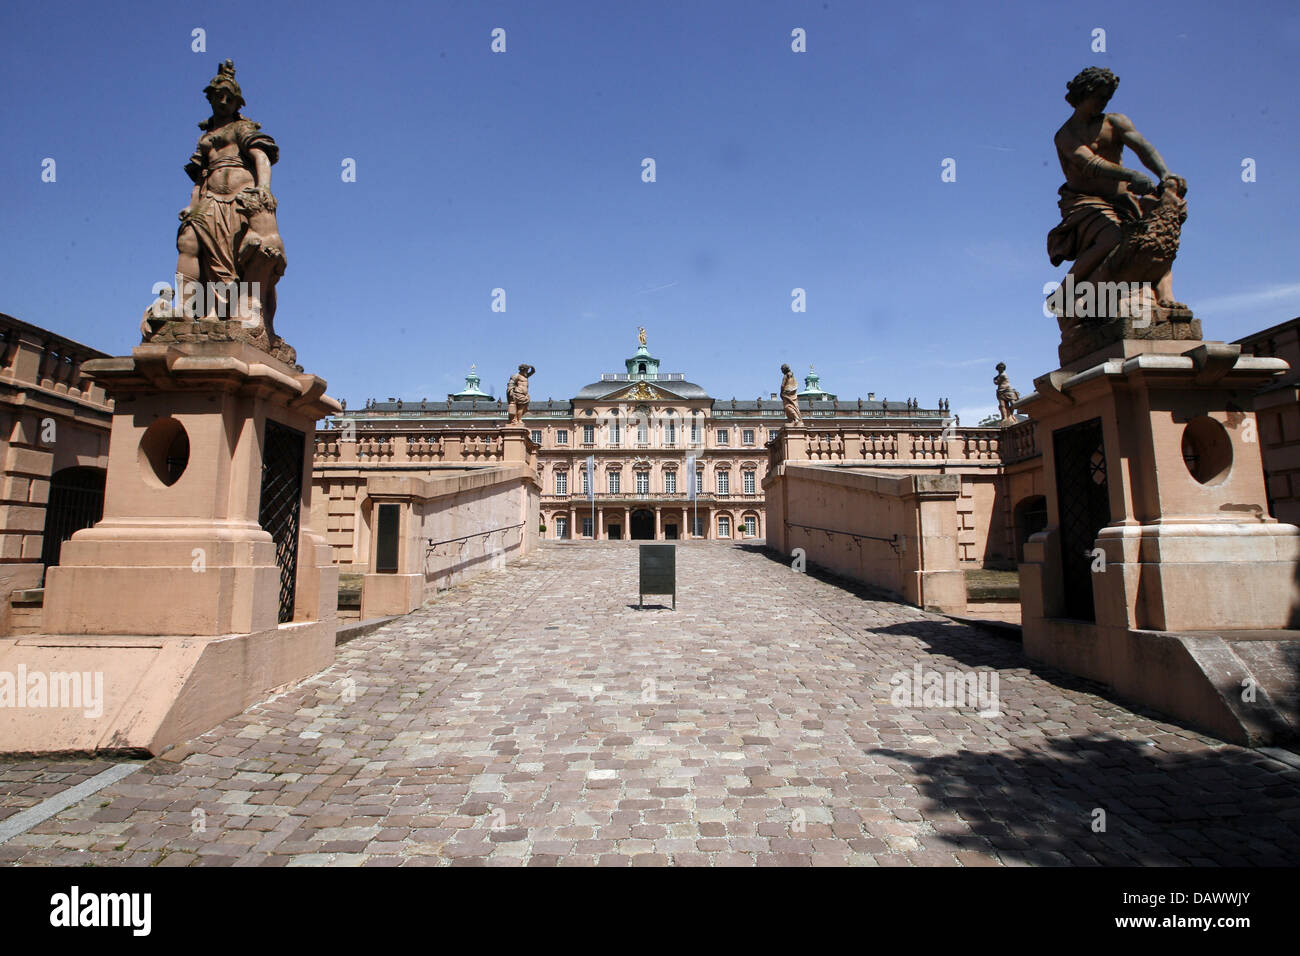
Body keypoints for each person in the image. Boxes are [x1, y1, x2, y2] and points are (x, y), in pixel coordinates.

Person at [1047, 67, 1186, 315]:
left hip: (1122, 198)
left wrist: (1165, 174)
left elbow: (1144, 148)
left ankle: (1165, 295)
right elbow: (1090, 163)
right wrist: (1131, 175)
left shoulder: (1115, 121)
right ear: (1083, 94)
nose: (1103, 103)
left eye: (1107, 98)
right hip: (1085, 201)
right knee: (1113, 238)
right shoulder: (1065, 135)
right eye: (1099, 97)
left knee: (1156, 241)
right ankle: (1064, 293)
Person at [174, 59, 285, 329]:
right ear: (210, 99)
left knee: (231, 258)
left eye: (228, 96)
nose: (222, 100)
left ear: (237, 103)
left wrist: (263, 188)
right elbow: (199, 178)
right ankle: (185, 310)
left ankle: (229, 313)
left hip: (239, 199)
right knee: (190, 243)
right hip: (208, 199)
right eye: (217, 95)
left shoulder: (241, 128)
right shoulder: (204, 139)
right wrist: (192, 205)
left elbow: (261, 156)